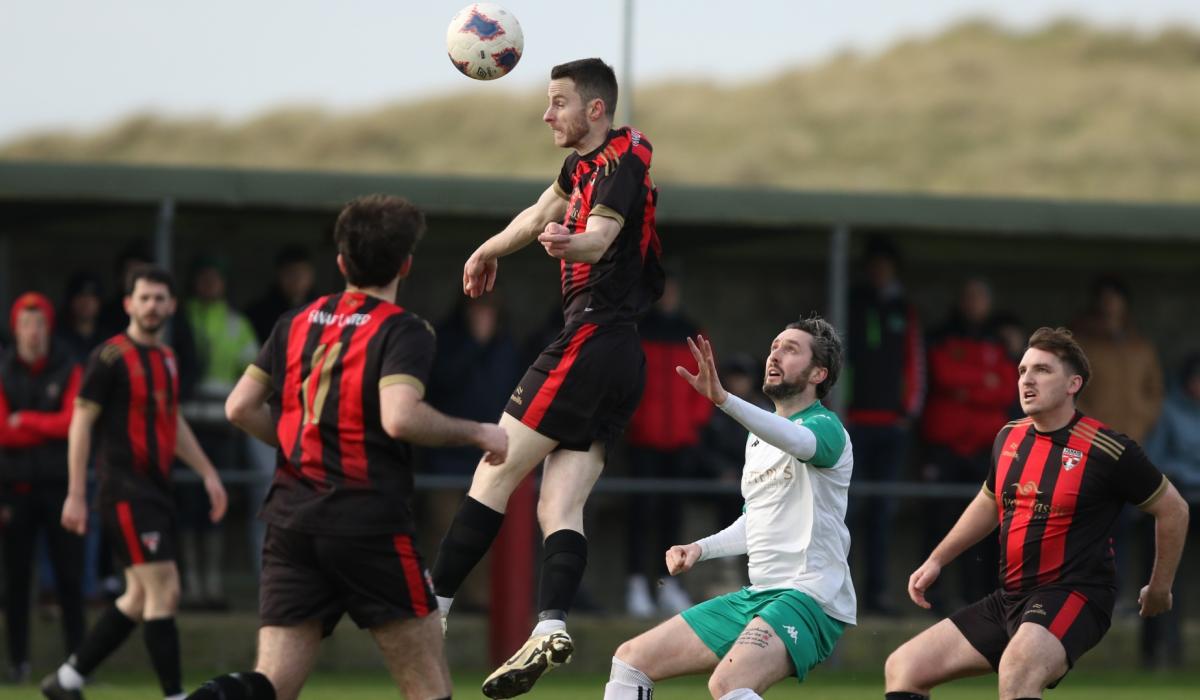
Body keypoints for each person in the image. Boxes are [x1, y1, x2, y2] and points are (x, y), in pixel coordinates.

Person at [184, 195, 508, 700]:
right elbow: (399, 417)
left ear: (340, 263)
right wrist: (478, 432)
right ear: (405, 264)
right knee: (429, 686)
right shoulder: (403, 329)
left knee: (272, 686)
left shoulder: (293, 323)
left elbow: (239, 408)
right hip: (367, 522)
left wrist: (300, 438)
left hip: (291, 521)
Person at [429, 57, 664, 699]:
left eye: (558, 101)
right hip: (620, 356)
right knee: (559, 504)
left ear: (594, 109)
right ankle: (551, 624)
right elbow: (538, 214)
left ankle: (432, 610)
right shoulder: (584, 166)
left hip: (589, 341)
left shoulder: (619, 163)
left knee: (494, 471)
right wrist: (487, 249)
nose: (546, 113)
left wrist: (571, 243)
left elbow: (599, 238)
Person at [884, 327, 1189, 700]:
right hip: (1010, 598)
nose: (1027, 379)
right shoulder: (1009, 436)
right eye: (1022, 370)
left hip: (1076, 594)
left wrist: (1160, 587)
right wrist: (937, 559)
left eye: (1042, 370)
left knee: (1019, 668)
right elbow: (990, 501)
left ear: (1073, 384)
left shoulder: (1108, 448)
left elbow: (1173, 508)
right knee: (903, 668)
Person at [603, 318, 856, 700]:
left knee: (728, 684)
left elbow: (800, 442)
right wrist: (699, 549)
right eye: (775, 344)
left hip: (811, 598)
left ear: (818, 373)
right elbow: (754, 522)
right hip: (759, 595)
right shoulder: (757, 437)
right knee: (630, 659)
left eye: (791, 349)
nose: (775, 354)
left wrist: (723, 399)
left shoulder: (827, 427)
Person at [41, 266, 229, 700]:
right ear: (128, 304)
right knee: (167, 588)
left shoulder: (166, 358)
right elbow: (80, 423)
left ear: (172, 306)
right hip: (125, 491)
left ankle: (66, 681)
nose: (152, 306)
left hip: (156, 489)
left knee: (139, 598)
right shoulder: (109, 357)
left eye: (160, 298)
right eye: (144, 298)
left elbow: (172, 421)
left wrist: (207, 472)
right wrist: (74, 492)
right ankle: (175, 695)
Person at [0, 293, 85, 684]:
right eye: (26, 325)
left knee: (70, 577)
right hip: (15, 490)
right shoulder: (4, 370)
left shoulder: (68, 368)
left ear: (48, 328)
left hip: (60, 489)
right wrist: (42, 426)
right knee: (17, 579)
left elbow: (72, 423)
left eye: (39, 325)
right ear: (16, 329)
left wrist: (26, 421)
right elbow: (2, 430)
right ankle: (18, 662)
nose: (33, 333)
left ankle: (78, 664)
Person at [919, 278, 1017, 608]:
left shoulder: (997, 340)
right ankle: (933, 598)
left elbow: (1006, 388)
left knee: (983, 528)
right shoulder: (941, 335)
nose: (974, 304)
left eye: (980, 297)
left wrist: (966, 387)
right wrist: (982, 381)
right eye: (969, 296)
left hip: (984, 449)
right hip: (945, 446)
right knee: (939, 522)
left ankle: (978, 599)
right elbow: (943, 375)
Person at [421, 294, 522, 610]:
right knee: (444, 528)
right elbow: (438, 385)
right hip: (446, 458)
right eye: (477, 310)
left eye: (489, 311)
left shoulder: (507, 348)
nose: (483, 317)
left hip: (490, 456)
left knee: (482, 534)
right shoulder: (445, 341)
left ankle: (478, 603)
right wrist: (473, 346)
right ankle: (433, 599)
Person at [623, 272, 711, 618]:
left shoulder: (692, 330)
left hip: (680, 441)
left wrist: (693, 423)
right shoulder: (638, 329)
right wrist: (637, 421)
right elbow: (629, 381)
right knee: (640, 514)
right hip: (644, 440)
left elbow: (704, 383)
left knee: (673, 515)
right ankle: (636, 585)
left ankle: (668, 584)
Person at [845, 235, 924, 614]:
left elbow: (914, 363)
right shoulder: (850, 304)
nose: (879, 273)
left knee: (882, 513)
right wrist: (836, 409)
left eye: (885, 266)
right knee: (846, 511)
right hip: (852, 425)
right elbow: (836, 359)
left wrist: (907, 412)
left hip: (891, 426)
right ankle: (840, 593)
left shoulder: (903, 310)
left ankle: (876, 594)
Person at [180, 255, 259, 607]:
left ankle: (211, 584)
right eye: (204, 277)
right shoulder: (181, 317)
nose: (209, 284)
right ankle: (191, 583)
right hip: (186, 425)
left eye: (215, 278)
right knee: (186, 503)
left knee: (216, 505)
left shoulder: (236, 323)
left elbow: (254, 370)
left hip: (222, 428)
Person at [1139, 352, 1200, 668]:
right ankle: (1160, 649)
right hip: (1178, 501)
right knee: (1163, 570)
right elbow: (1154, 460)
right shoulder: (1168, 411)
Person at [244, 246, 317, 346]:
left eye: (301, 273)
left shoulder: (323, 313)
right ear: (279, 275)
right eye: (290, 273)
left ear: (311, 275)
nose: (296, 280)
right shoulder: (259, 314)